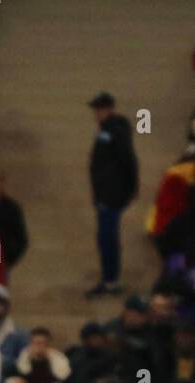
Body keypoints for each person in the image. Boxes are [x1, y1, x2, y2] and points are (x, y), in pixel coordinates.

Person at [86, 92, 138, 296]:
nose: (96, 114)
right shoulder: (108, 129)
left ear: (109, 108)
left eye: (99, 109)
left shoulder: (115, 130)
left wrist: (131, 187)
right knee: (106, 236)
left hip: (110, 194)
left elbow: (128, 159)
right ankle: (110, 279)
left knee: (107, 237)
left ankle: (110, 281)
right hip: (106, 193)